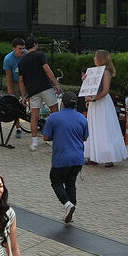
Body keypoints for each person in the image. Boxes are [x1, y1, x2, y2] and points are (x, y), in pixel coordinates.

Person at [44, 93, 89, 224]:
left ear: (62, 103)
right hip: (77, 159)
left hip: (61, 158)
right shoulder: (82, 118)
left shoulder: (54, 117)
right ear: (75, 104)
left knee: (56, 181)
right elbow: (85, 137)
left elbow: (46, 137)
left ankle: (67, 204)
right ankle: (71, 211)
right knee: (70, 183)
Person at [84, 49, 128, 166]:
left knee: (104, 128)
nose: (94, 59)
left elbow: (105, 90)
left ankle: (108, 157)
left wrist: (94, 98)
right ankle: (93, 156)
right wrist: (85, 81)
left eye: (95, 57)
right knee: (93, 128)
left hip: (102, 103)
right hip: (95, 102)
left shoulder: (106, 72)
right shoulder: (95, 71)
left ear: (100, 59)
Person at [16, 38, 61, 147]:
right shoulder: (40, 55)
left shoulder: (21, 61)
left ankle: (34, 142)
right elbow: (47, 69)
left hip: (32, 91)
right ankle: (57, 138)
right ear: (35, 44)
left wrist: (23, 96)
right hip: (45, 87)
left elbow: (21, 81)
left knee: (34, 116)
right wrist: (56, 83)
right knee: (55, 112)